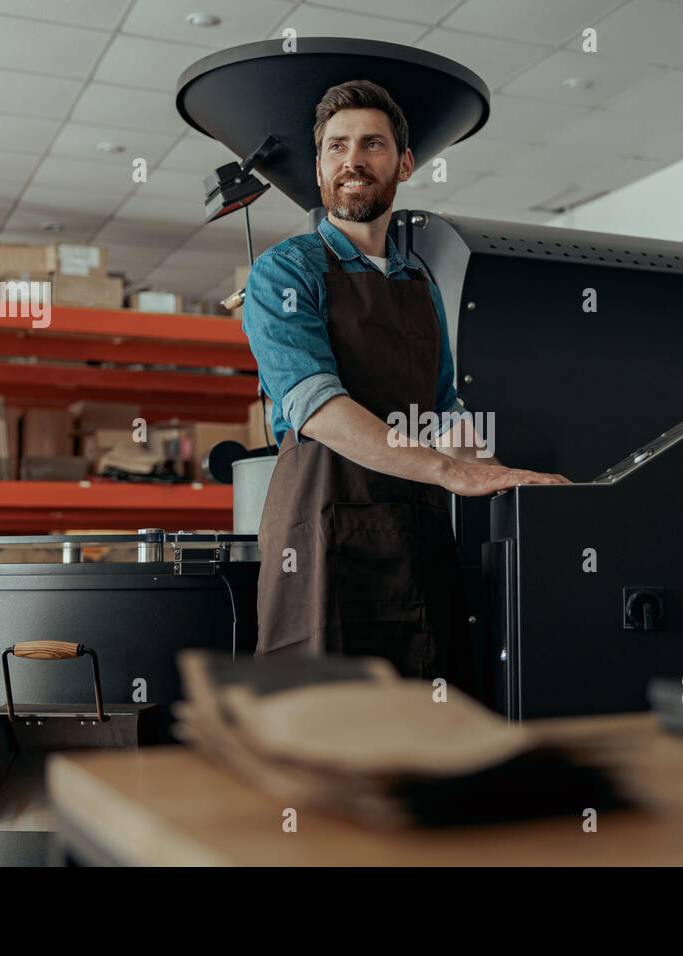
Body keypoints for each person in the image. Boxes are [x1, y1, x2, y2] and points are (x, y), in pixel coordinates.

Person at [242, 79, 569, 681]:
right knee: (327, 728)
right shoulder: (284, 272)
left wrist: (503, 478)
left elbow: (442, 411)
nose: (353, 161)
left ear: (405, 164)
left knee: (430, 714)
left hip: (415, 538)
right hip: (322, 541)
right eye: (336, 148)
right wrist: (452, 472)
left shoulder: (418, 283)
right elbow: (317, 406)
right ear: (318, 169)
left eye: (372, 144)